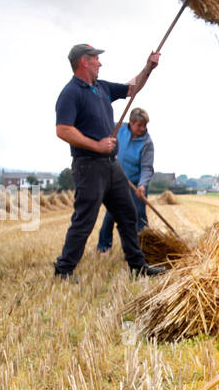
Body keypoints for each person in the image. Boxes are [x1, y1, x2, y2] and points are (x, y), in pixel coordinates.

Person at [53, 43, 165, 279]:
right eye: (96, 59)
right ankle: (64, 270)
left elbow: (131, 88)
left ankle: (138, 267)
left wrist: (149, 68)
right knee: (84, 220)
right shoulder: (71, 93)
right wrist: (96, 145)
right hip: (88, 165)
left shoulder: (101, 88)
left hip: (111, 166)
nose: (100, 63)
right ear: (84, 61)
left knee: (127, 214)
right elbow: (63, 130)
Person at [97, 108, 154, 252]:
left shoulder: (147, 142)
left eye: (145, 125)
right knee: (111, 214)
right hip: (115, 180)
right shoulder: (118, 129)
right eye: (139, 125)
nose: (143, 128)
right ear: (131, 122)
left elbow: (146, 167)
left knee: (139, 215)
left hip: (136, 184)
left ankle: (144, 248)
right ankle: (103, 247)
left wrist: (142, 185)